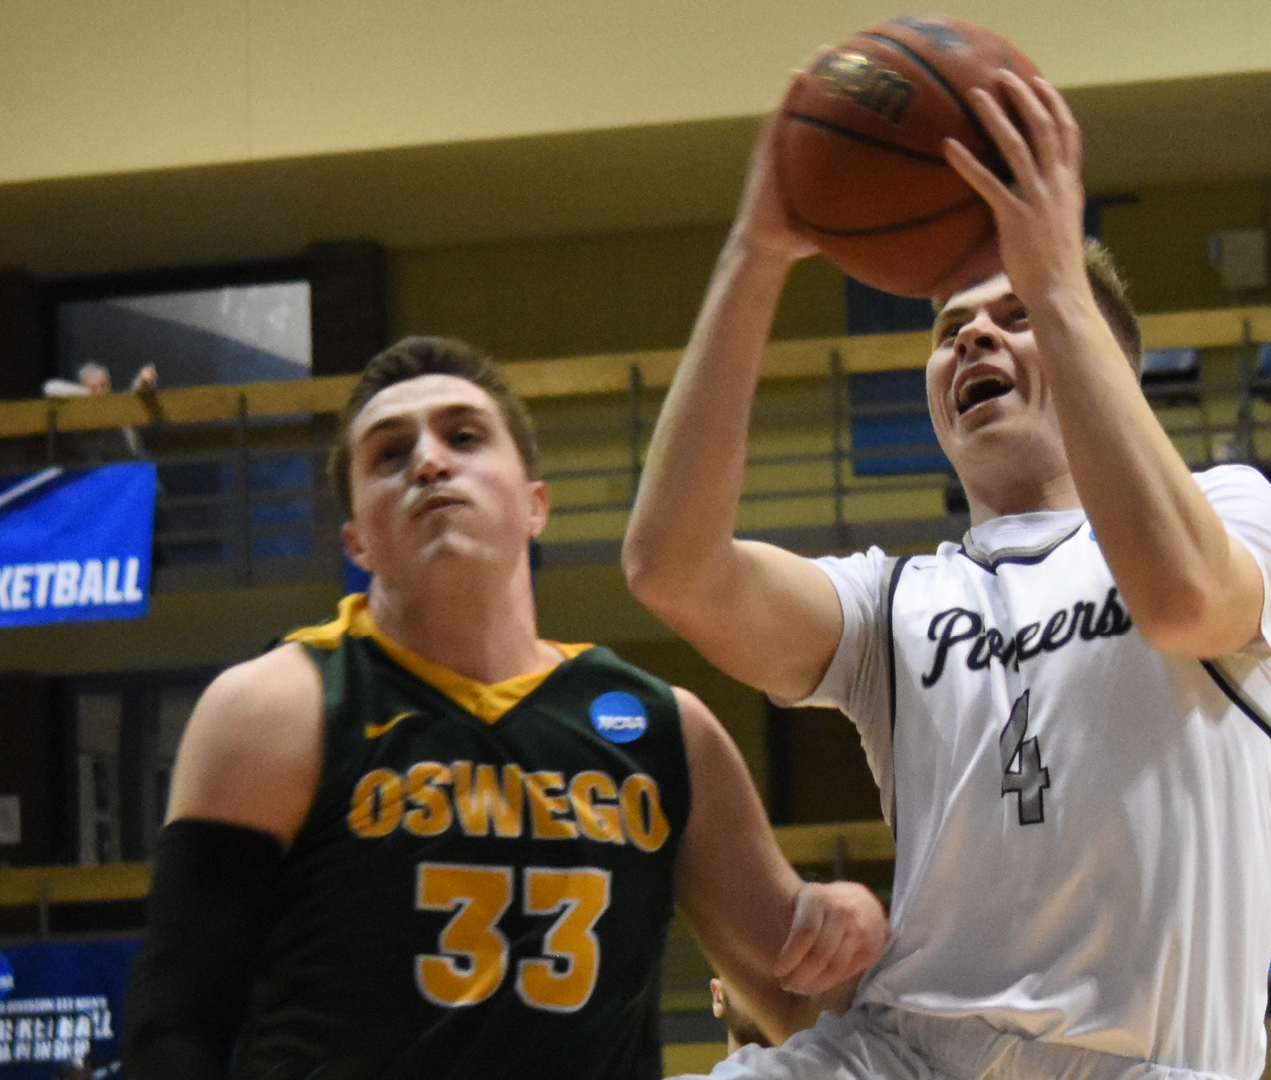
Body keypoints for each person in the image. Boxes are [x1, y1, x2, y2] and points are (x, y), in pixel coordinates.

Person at [625, 63, 1271, 1080]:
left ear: (1094, 356)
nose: (973, 333)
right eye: (947, 331)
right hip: (903, 1057)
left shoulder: (1233, 509)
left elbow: (1183, 599)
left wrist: (1060, 277)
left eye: (1014, 311)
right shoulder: (892, 602)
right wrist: (759, 250)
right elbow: (674, 570)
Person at [123, 337, 889, 1080]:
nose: (427, 461)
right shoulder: (273, 706)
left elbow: (803, 997)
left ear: (535, 505)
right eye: (388, 455)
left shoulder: (665, 728)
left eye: (464, 436)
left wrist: (852, 919)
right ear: (357, 541)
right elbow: (176, 1029)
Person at [42, 362, 161, 462]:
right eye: (93, 388)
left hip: (132, 475)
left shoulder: (119, 406)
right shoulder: (79, 414)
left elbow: (138, 391)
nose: (100, 392)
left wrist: (144, 381)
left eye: (103, 385)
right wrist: (88, 395)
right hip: (98, 479)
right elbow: (50, 388)